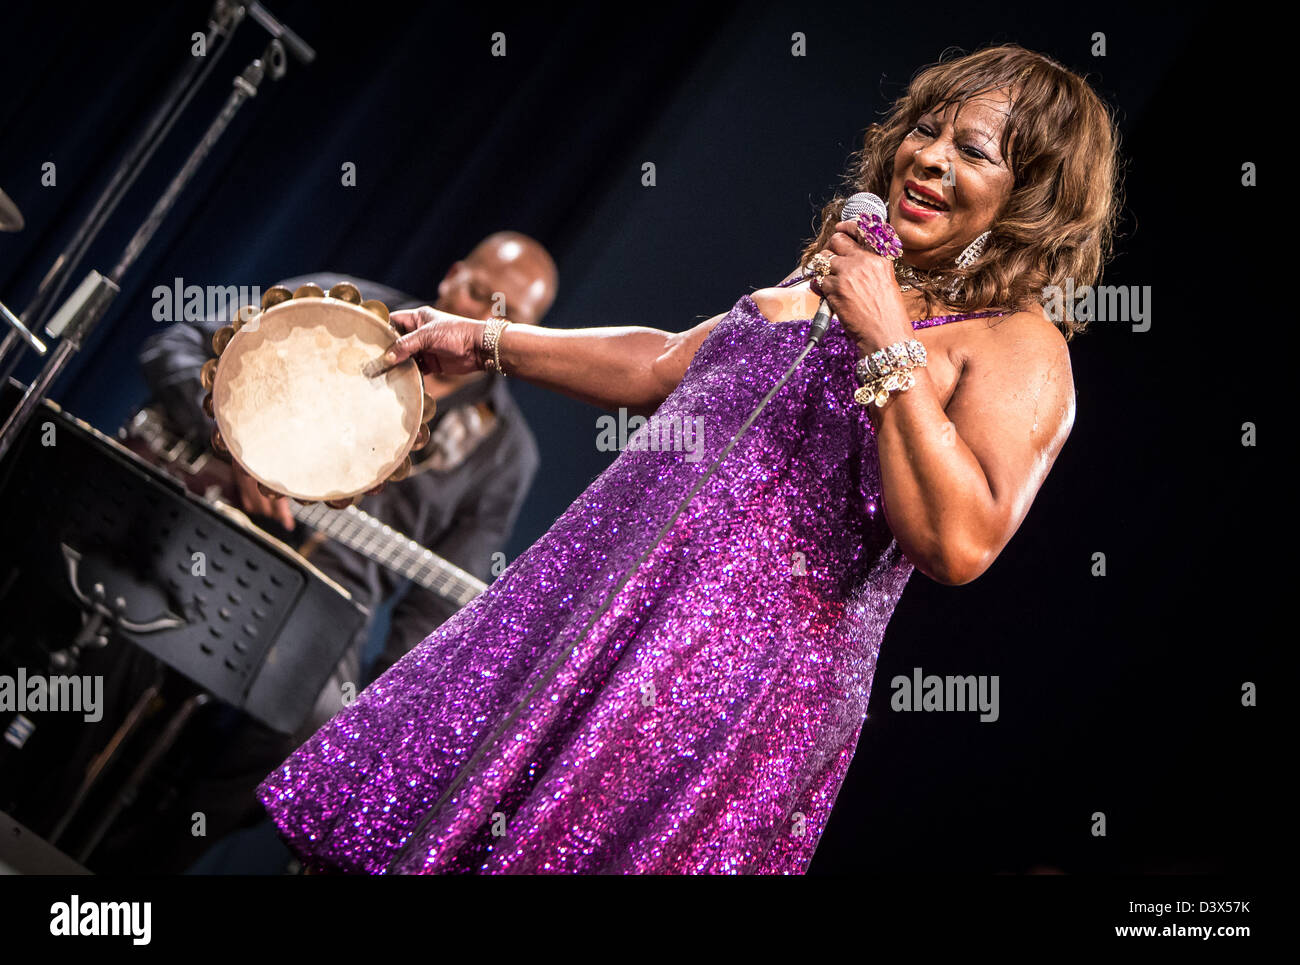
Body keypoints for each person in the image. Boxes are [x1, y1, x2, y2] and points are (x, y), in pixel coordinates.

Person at [257, 44, 1120, 874]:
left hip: (724, 686)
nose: (926, 158)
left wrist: (887, 335)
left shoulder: (1021, 346)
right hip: (598, 604)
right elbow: (670, 362)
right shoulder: (843, 273)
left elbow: (960, 541)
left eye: (969, 150)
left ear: (1033, 198)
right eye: (924, 129)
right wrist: (483, 339)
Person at [96, 232, 556, 874]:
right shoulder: (346, 306)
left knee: (309, 731)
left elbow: (430, 608)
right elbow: (174, 347)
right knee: (125, 638)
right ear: (451, 275)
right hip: (217, 526)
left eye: (509, 317)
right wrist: (233, 440)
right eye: (479, 294)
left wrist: (377, 715)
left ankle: (132, 869)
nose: (481, 322)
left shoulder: (503, 451)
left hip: (329, 602)